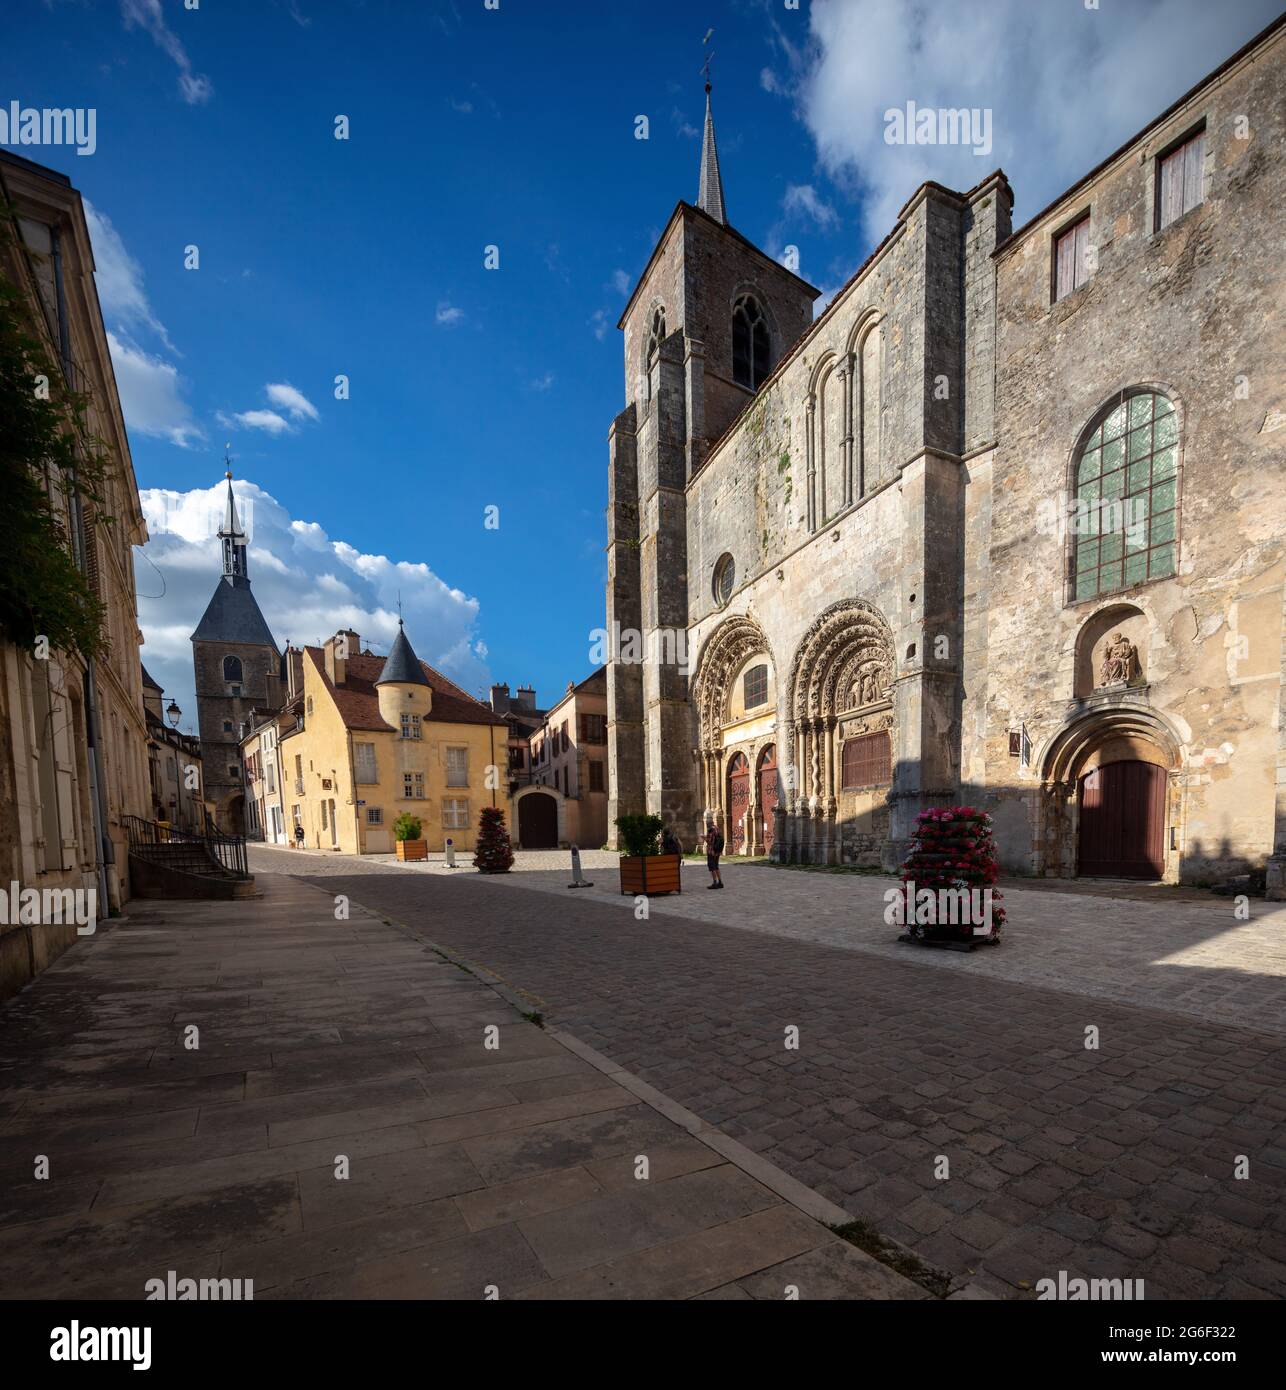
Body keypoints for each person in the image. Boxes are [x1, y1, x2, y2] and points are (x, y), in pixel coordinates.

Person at [704, 820, 724, 889]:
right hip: (717, 851)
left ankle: (715, 882)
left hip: (711, 851)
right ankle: (720, 882)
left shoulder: (711, 830)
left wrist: (704, 838)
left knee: (712, 867)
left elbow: (710, 842)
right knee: (716, 866)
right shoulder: (717, 829)